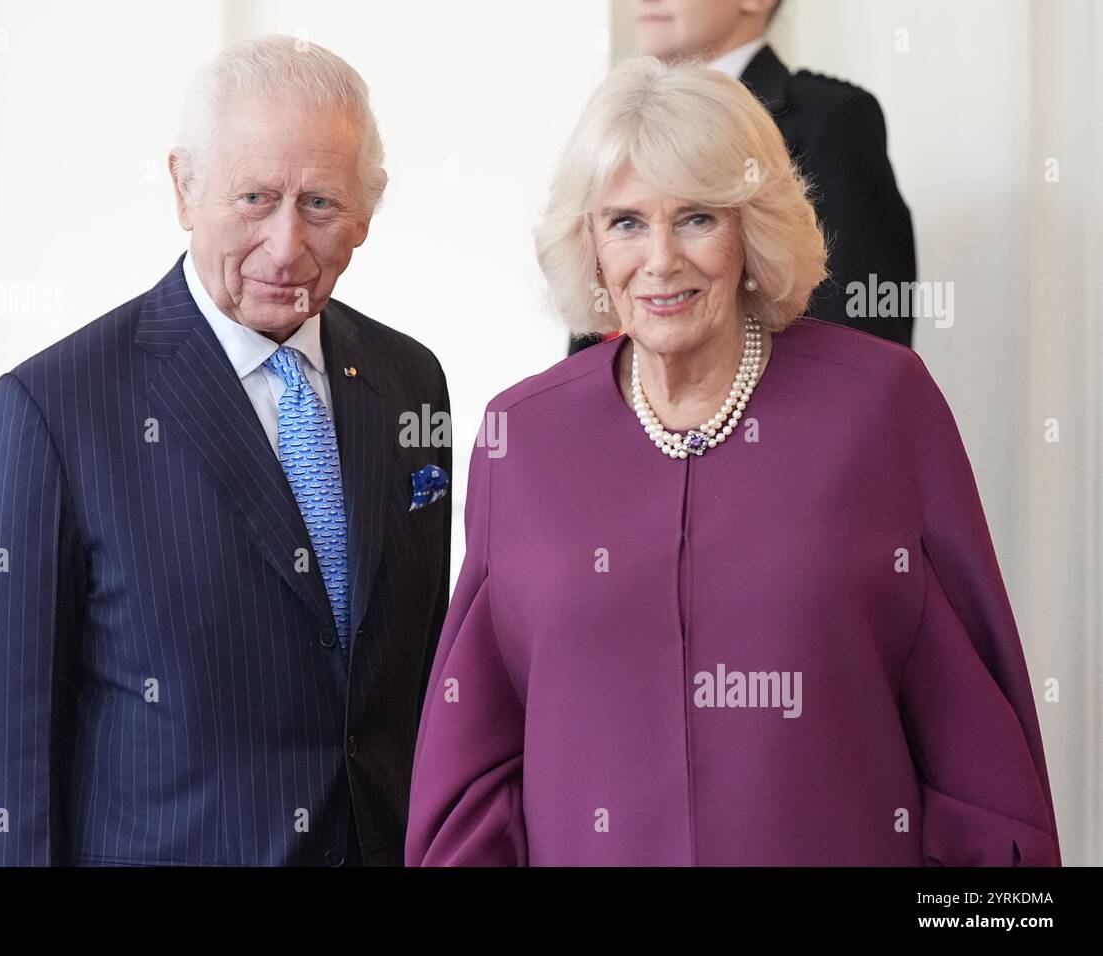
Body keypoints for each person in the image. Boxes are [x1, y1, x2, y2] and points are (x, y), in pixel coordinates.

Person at [406, 59, 1058, 866]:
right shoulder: (523, 437)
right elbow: (472, 769)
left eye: (697, 218)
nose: (661, 260)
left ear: (753, 229)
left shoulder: (879, 407)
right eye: (626, 222)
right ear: (590, 245)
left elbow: (979, 754)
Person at [0, 36, 453, 866]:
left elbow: (419, 677)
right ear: (184, 187)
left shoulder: (409, 380)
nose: (287, 246)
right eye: (254, 197)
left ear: (369, 208)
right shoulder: (49, 412)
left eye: (321, 204)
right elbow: (5, 762)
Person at [569, 0, 916, 355]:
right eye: (627, 221)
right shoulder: (614, 119)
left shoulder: (830, 121)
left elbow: (865, 342)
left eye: (698, 217)